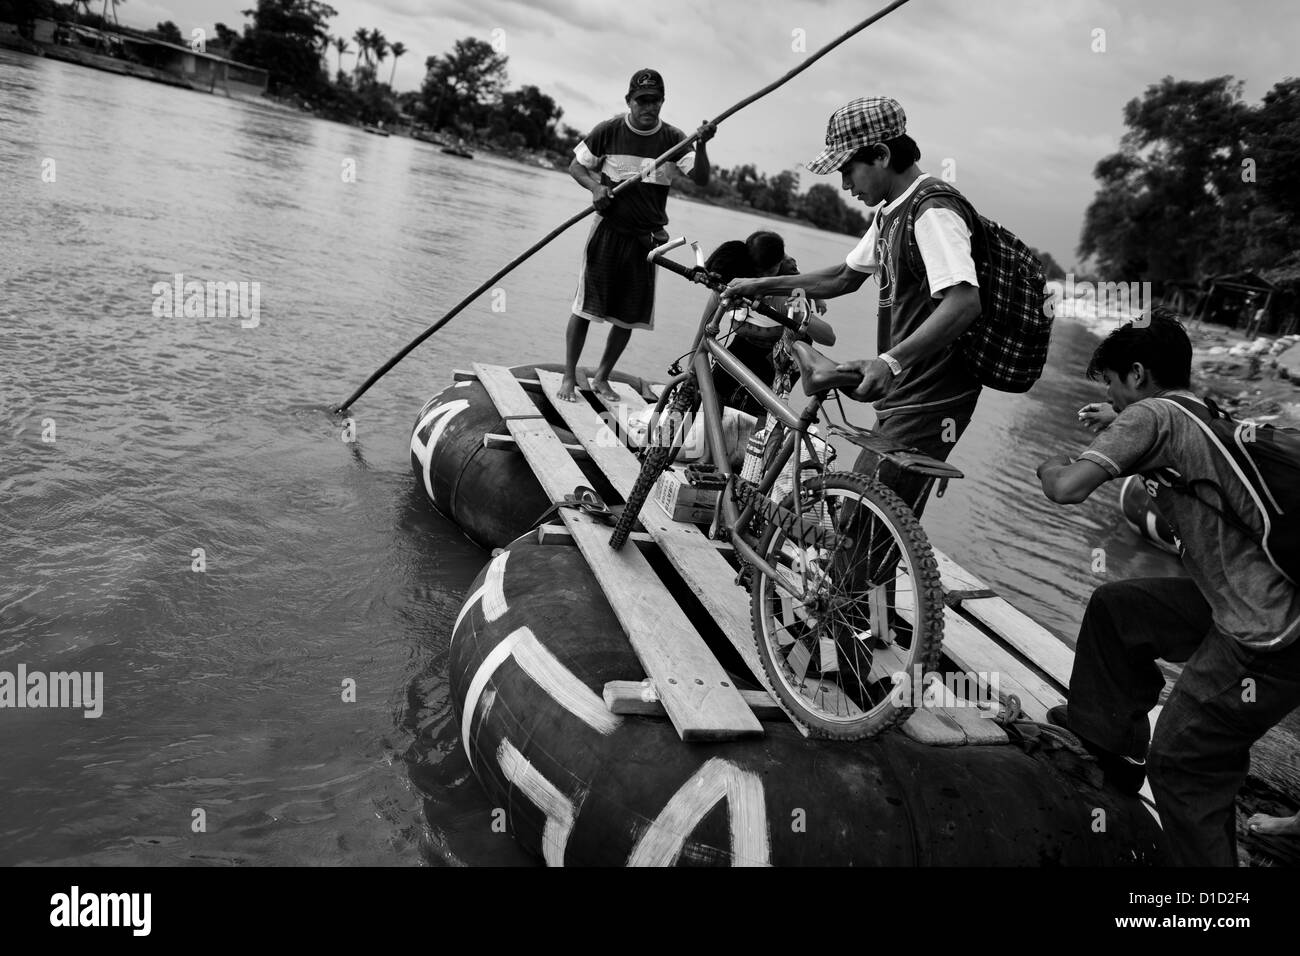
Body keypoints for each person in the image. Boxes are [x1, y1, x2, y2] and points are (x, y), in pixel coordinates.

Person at [1034, 310, 1300, 866]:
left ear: (1136, 373)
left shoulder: (1152, 416)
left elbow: (1067, 490)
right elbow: (1166, 434)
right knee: (1120, 609)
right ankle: (1111, 743)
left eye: (1110, 382)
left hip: (1264, 636)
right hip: (1256, 602)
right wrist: (1119, 416)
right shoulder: (1197, 409)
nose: (1110, 394)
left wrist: (1050, 463)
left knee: (1182, 764)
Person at [724, 96, 982, 519]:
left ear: (880, 155)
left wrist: (891, 362)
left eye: (848, 170)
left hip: (931, 393)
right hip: (905, 388)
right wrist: (760, 283)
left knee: (866, 522)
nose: (846, 186)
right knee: (868, 518)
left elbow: (964, 302)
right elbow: (842, 278)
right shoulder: (889, 215)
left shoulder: (931, 210)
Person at [559, 68, 714, 402]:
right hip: (608, 232)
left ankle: (601, 378)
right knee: (586, 307)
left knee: (628, 314)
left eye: (655, 101)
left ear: (662, 102)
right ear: (629, 101)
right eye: (642, 101)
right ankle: (569, 378)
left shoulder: (675, 139)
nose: (649, 107)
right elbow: (576, 166)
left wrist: (700, 146)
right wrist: (595, 186)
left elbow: (700, 179)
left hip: (647, 239)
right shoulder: (609, 130)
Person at [704, 232, 834, 420]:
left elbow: (829, 337)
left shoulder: (784, 294)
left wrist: (799, 311)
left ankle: (759, 439)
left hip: (779, 358)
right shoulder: (731, 287)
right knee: (705, 391)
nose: (762, 278)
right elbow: (703, 332)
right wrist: (692, 373)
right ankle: (665, 443)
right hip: (744, 346)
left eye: (767, 273)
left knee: (759, 412)